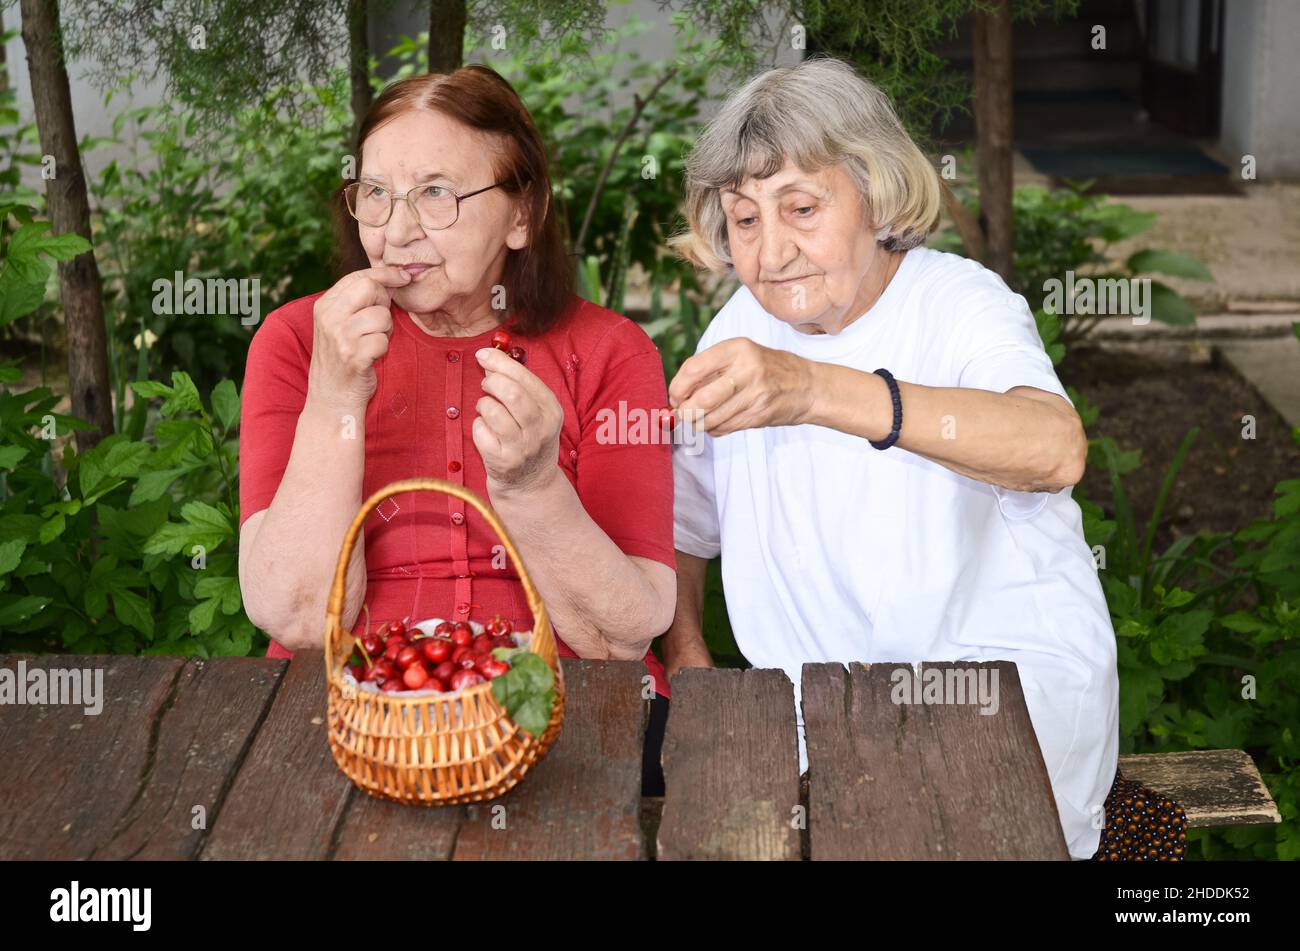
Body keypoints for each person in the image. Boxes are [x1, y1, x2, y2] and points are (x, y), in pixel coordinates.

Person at [662, 56, 1185, 860]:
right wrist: (691, 662)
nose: (772, 252)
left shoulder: (958, 303)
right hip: (822, 729)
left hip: (1000, 704)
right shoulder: (733, 331)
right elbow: (684, 526)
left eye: (801, 207)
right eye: (745, 220)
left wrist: (813, 389)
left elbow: (1055, 446)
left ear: (872, 191)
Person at [237, 65, 676, 794]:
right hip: (349, 710)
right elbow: (299, 617)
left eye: (436, 194)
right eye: (375, 194)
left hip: (561, 707)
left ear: (521, 214)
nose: (395, 230)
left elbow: (621, 635)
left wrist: (535, 486)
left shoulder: (611, 351)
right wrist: (334, 397)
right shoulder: (298, 341)